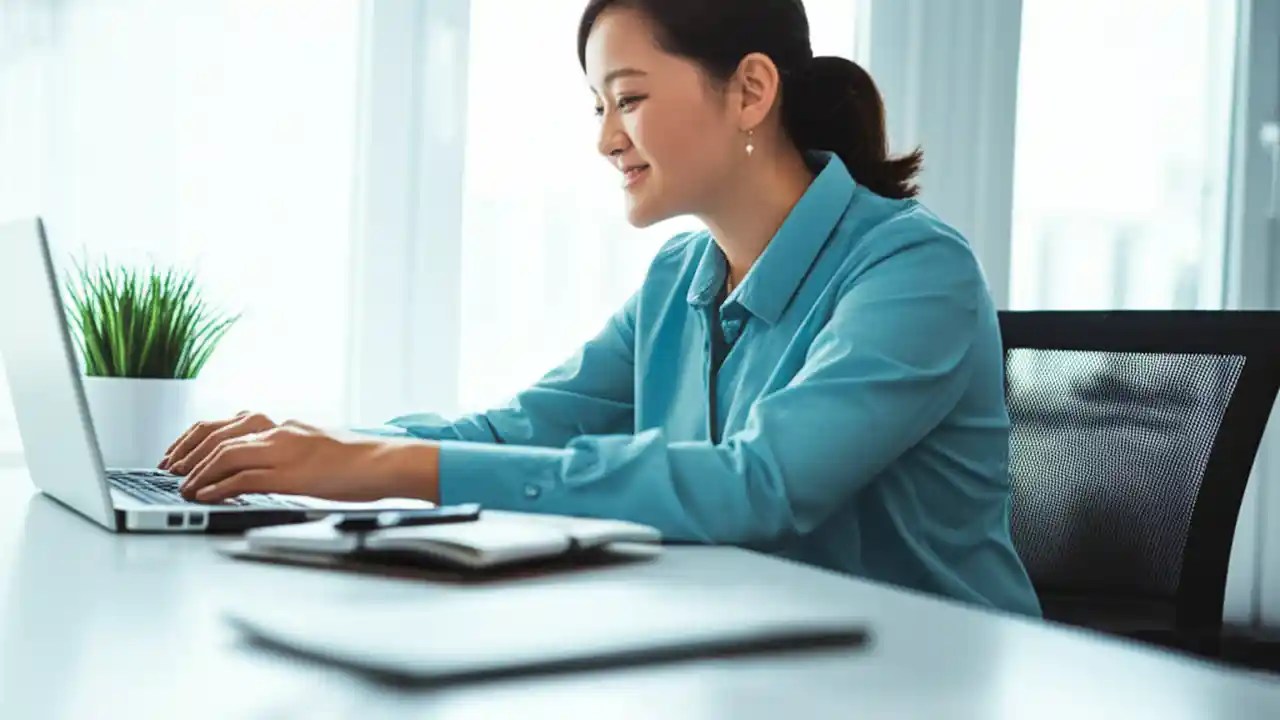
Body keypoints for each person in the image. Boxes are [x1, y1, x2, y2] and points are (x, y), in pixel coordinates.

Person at [160, 0, 1041, 616]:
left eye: (629, 98)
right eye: (598, 105)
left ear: (750, 90)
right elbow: (521, 431)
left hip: (933, 680)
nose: (606, 138)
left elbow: (760, 486)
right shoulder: (680, 278)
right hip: (759, 655)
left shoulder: (914, 271)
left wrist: (377, 472)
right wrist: (319, 448)